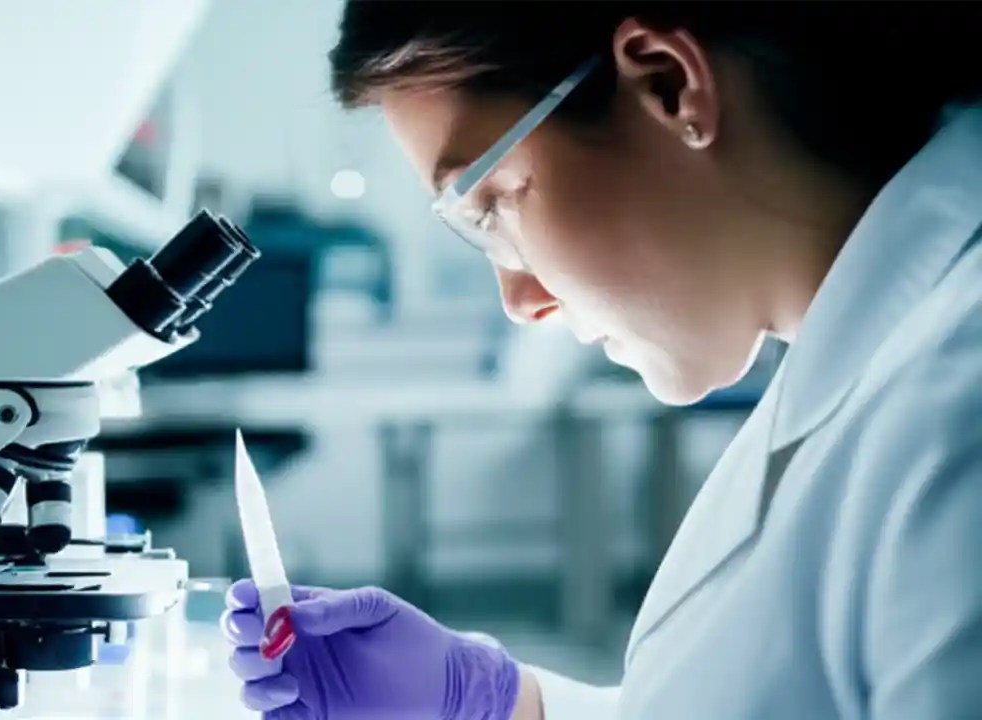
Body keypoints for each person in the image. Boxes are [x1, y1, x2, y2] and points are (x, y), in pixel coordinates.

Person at [221, 3, 982, 718]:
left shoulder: (957, 412)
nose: (519, 299)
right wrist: (504, 704)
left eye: (489, 204)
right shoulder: (869, 359)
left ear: (668, 84)